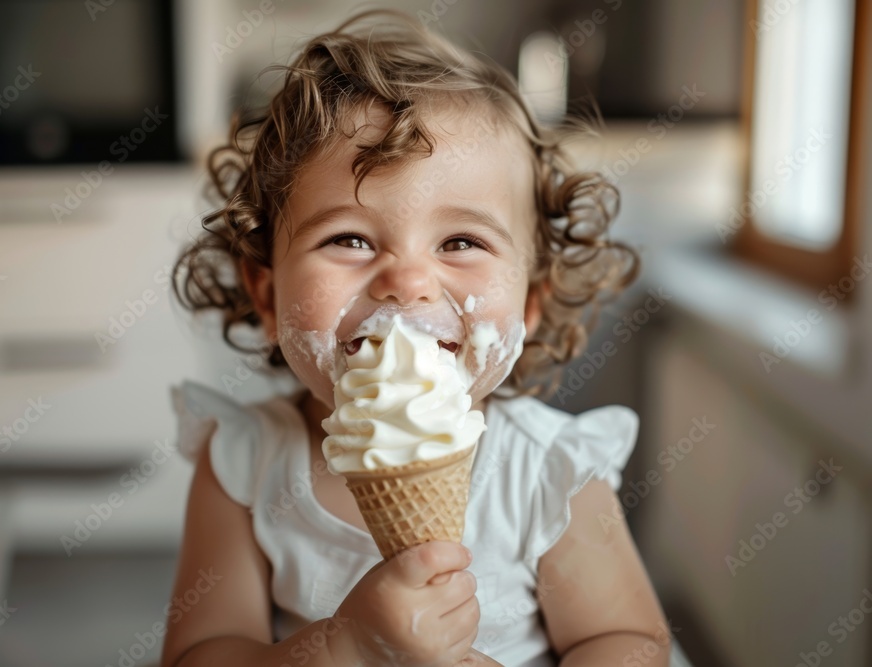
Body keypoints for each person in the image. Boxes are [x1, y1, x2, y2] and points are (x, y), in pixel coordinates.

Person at [162, 10, 670, 667]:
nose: (407, 282)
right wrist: (340, 646)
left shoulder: (546, 472)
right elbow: (196, 655)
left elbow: (631, 643)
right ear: (267, 295)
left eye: (461, 241)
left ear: (532, 302)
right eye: (349, 238)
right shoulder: (244, 464)